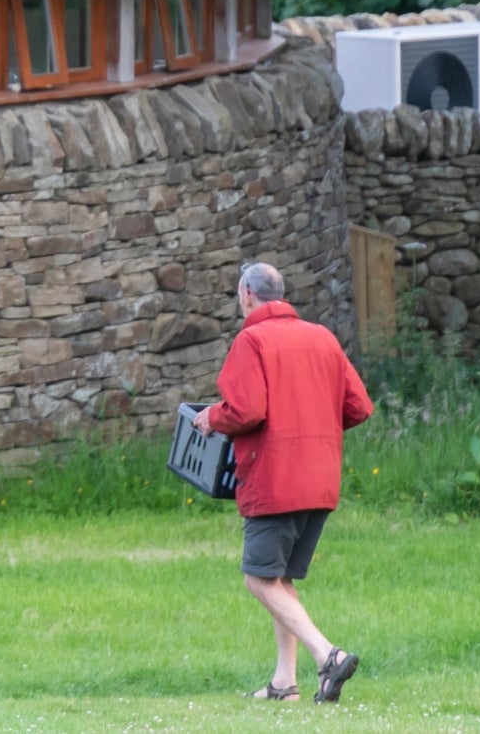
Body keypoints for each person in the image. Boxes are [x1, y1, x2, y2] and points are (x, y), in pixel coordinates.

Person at [193, 260, 374, 703]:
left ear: (246, 294)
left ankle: (327, 655)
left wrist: (210, 417)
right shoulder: (322, 337)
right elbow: (358, 406)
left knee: (258, 579)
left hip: (275, 480)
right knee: (280, 579)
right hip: (320, 481)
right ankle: (283, 684)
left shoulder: (251, 340)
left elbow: (245, 410)